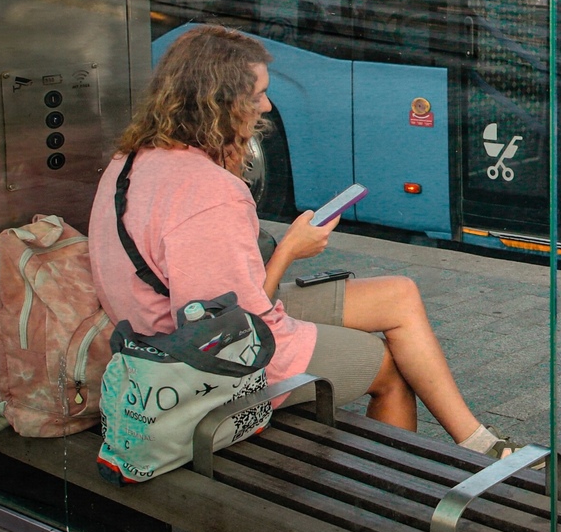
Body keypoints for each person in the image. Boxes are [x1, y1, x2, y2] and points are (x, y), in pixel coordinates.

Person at [88, 24, 510, 455]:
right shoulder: (209, 193)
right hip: (199, 365)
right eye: (257, 95)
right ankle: (391, 486)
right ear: (219, 103)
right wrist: (291, 248)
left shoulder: (131, 161)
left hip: (156, 330)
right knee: (388, 367)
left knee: (398, 294)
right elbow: (231, 332)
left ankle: (478, 442)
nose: (267, 106)